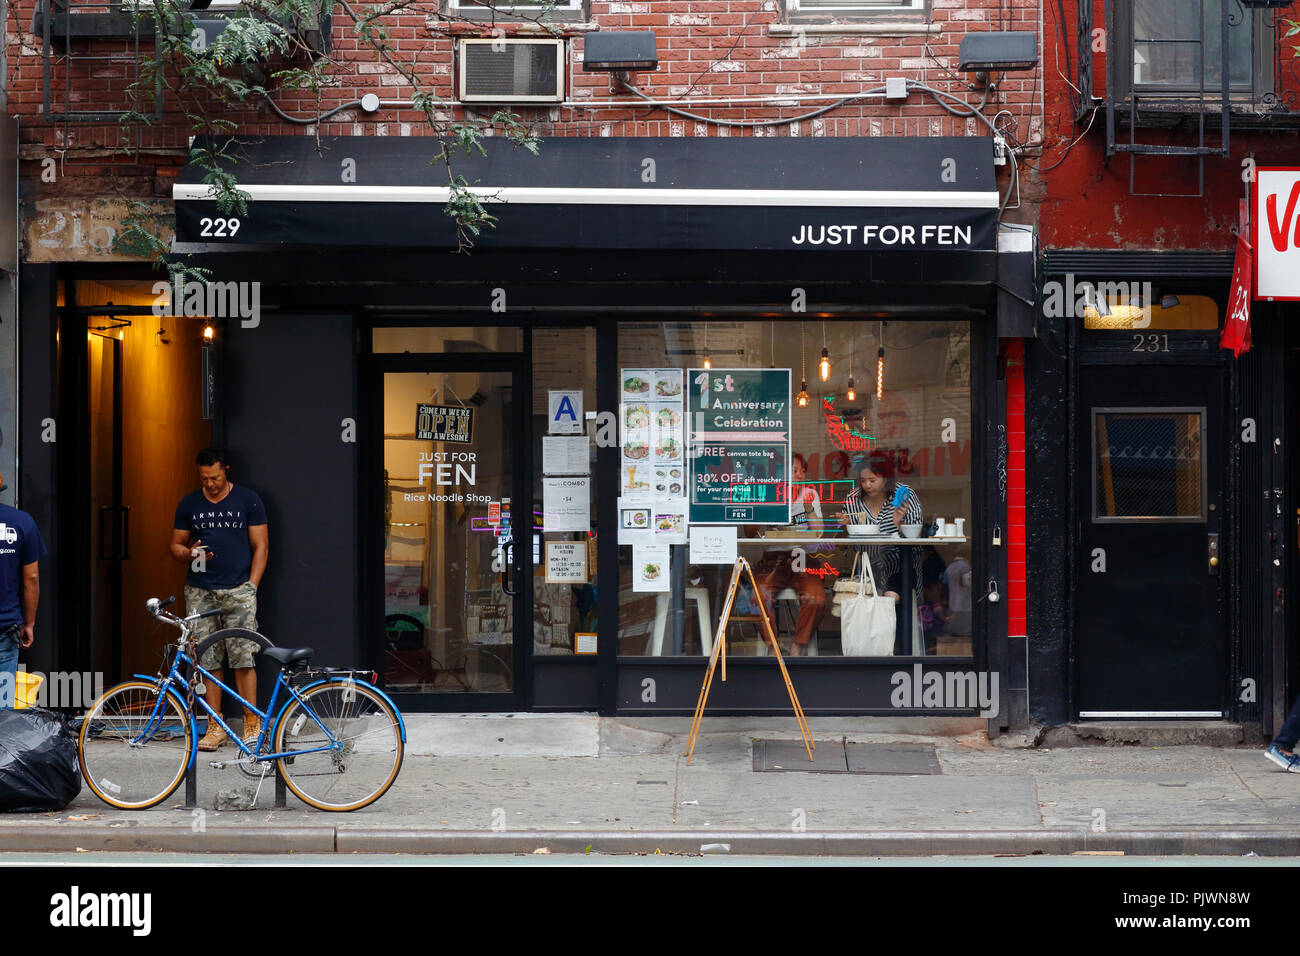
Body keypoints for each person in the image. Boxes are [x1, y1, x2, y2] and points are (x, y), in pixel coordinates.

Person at [171, 448, 269, 750]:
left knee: (243, 658)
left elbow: (261, 546)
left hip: (238, 589)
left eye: (214, 477)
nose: (210, 484)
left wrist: (251, 586)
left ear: (225, 470)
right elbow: (175, 545)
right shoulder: (190, 503)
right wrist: (188, 553)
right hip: (200, 589)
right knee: (207, 660)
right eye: (204, 479)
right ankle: (216, 726)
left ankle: (252, 724)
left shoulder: (247, 500)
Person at [837, 453, 924, 655]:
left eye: (873, 480)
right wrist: (845, 526)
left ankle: (894, 650)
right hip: (867, 567)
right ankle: (868, 649)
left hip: (900, 564)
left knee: (890, 597)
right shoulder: (853, 499)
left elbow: (917, 536)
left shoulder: (904, 495)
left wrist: (899, 523)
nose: (867, 485)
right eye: (863, 480)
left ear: (886, 478)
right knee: (857, 599)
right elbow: (845, 541)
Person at [752, 453, 828, 657]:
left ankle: (798, 647)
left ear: (803, 473)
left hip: (802, 557)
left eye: (794, 470)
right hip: (773, 559)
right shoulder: (766, 495)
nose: (788, 476)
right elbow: (750, 533)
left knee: (817, 599)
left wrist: (809, 508)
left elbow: (818, 534)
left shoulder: (809, 494)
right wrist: (758, 506)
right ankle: (772, 647)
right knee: (758, 597)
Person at [0, 473, 44, 709]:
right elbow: (32, 579)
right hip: (5, 628)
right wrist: (29, 623)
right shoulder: (21, 522)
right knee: (2, 709)